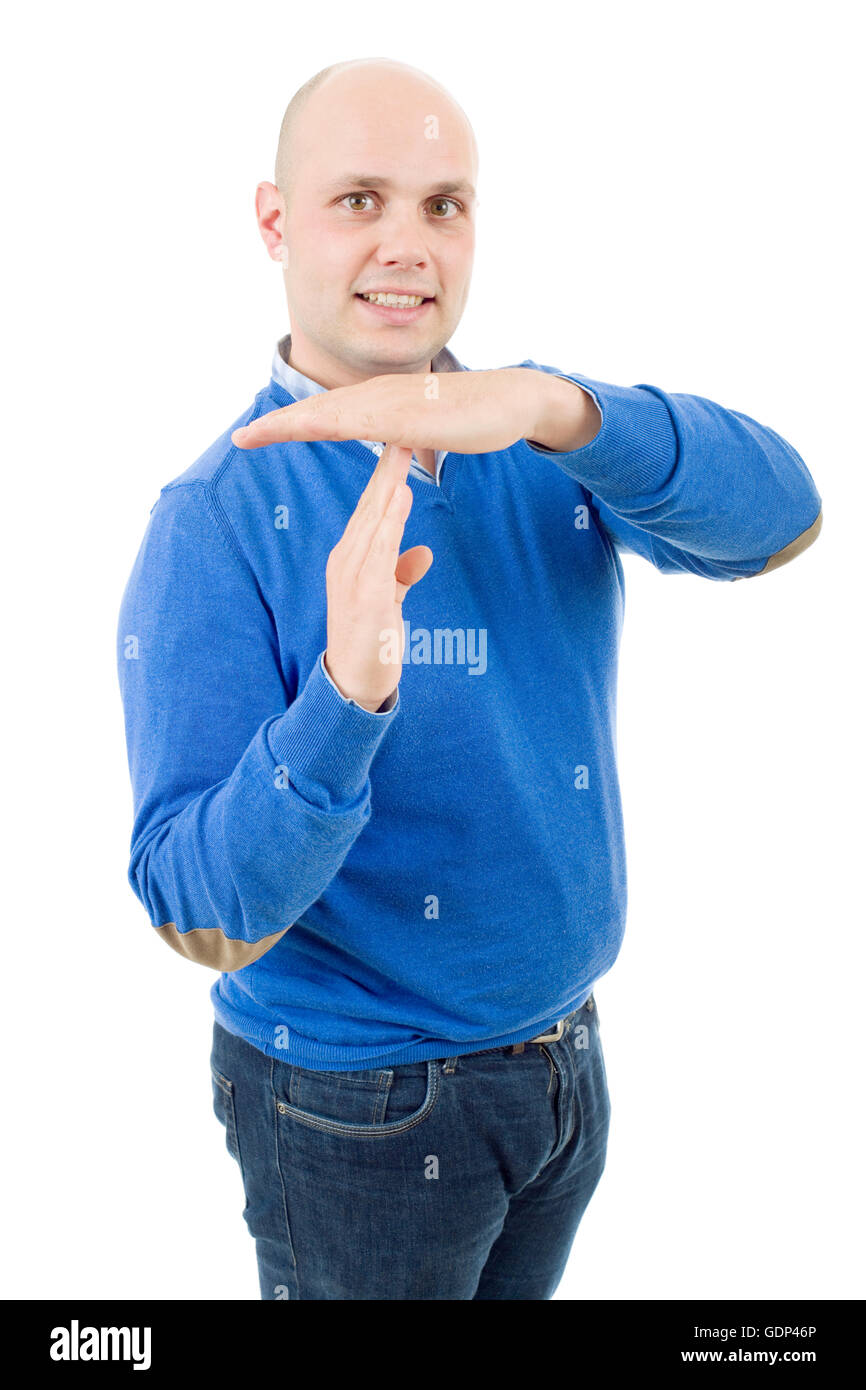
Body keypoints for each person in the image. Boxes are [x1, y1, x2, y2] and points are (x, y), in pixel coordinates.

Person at [116, 56, 823, 1300]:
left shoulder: (537, 437)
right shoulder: (212, 521)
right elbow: (196, 910)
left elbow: (779, 518)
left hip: (561, 1072)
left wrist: (561, 409)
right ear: (276, 222)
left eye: (443, 204)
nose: (407, 243)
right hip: (358, 1111)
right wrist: (345, 700)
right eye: (358, 200)